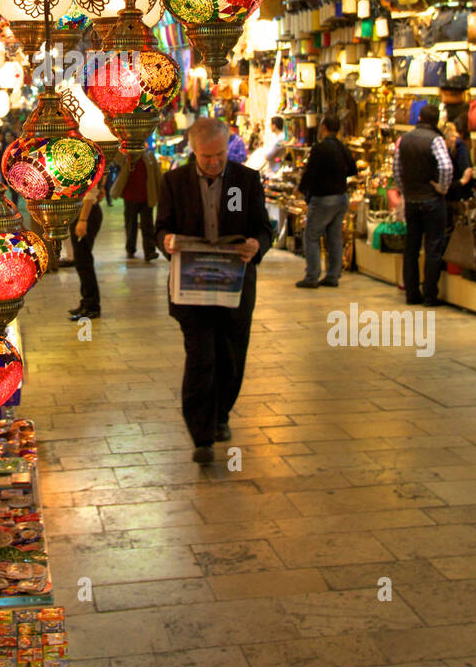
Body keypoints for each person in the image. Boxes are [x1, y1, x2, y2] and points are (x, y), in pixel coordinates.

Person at [155, 116, 273, 465]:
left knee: (231, 357)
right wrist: (167, 241)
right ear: (193, 152)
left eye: (219, 155)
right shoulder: (174, 182)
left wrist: (256, 245)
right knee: (201, 358)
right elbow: (160, 229)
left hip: (234, 286)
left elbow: (263, 228)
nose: (214, 162)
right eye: (206, 157)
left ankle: (221, 413)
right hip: (191, 287)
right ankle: (202, 436)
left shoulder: (243, 181)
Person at [394, 103, 452, 306]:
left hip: (411, 199)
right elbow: (445, 166)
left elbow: (397, 169)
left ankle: (412, 293)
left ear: (419, 118)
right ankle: (430, 295)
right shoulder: (435, 139)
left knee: (411, 247)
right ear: (436, 121)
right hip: (431, 200)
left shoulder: (404, 139)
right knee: (433, 247)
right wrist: (442, 188)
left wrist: (405, 189)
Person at [295, 112, 358, 288]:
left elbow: (310, 172)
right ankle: (333, 275)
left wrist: (300, 189)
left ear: (323, 127)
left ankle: (312, 277)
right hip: (341, 197)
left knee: (312, 236)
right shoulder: (343, 148)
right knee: (334, 237)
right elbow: (353, 170)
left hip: (324, 198)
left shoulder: (320, 148)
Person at [68, 174, 105, 321]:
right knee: (81, 260)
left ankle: (92, 306)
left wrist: (83, 220)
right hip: (82, 213)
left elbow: (89, 194)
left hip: (86, 214)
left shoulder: (85, 163)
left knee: (84, 261)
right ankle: (86, 302)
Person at [112, 150, 159, 261]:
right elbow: (115, 157)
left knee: (148, 226)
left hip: (147, 197)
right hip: (130, 197)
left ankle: (149, 251)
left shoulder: (149, 156)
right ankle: (130, 249)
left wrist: (162, 191)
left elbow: (157, 173)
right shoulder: (126, 155)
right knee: (130, 225)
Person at [443, 121, 473, 206]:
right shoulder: (460, 145)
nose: (456, 136)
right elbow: (466, 168)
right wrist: (462, 181)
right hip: (453, 196)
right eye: (453, 134)